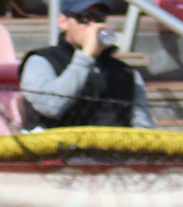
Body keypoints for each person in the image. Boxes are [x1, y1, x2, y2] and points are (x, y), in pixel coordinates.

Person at [18, 0, 153, 131]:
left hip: (110, 151)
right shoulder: (41, 60)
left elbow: (143, 126)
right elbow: (51, 106)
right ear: (63, 22)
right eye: (84, 18)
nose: (93, 26)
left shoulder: (125, 72)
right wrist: (85, 56)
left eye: (99, 18)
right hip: (58, 151)